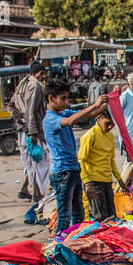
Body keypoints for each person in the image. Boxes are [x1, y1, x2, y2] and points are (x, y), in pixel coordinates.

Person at [42, 80, 109, 233]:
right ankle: (60, 246)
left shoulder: (62, 112)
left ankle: (75, 243)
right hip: (62, 172)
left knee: (78, 214)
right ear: (51, 98)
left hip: (72, 170)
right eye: (63, 98)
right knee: (65, 215)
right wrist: (96, 104)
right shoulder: (50, 119)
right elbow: (71, 120)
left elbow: (86, 116)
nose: (67, 102)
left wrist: (103, 105)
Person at [77, 112, 127, 223]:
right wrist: (87, 183)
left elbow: (111, 160)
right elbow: (81, 160)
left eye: (113, 125)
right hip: (94, 182)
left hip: (107, 181)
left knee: (111, 215)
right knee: (101, 217)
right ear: (99, 118)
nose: (110, 127)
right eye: (108, 123)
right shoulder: (90, 135)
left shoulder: (109, 136)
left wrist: (119, 179)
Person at [8, 61, 48, 202]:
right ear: (35, 73)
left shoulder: (22, 85)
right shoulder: (35, 86)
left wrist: (19, 119)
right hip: (33, 130)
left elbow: (11, 106)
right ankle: (37, 194)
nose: (44, 76)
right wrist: (33, 132)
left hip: (23, 130)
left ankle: (25, 189)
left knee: (30, 162)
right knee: (40, 163)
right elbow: (31, 111)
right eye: (42, 73)